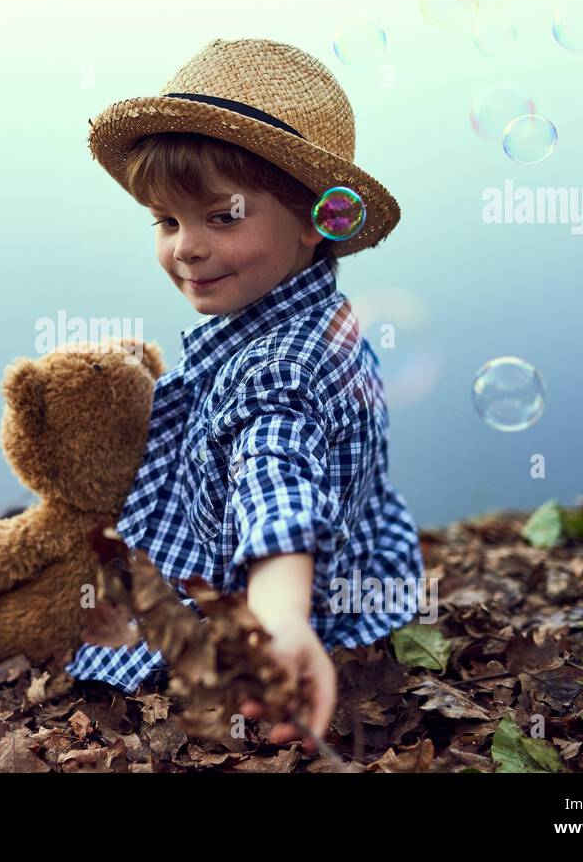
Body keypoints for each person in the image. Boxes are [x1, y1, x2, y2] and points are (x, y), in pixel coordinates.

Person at [65, 38, 425, 749]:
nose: (185, 248)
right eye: (166, 221)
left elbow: (275, 478)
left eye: (222, 217)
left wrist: (277, 619)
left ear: (319, 220)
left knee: (48, 579)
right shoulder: (320, 319)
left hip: (234, 597)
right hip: (351, 564)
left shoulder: (276, 373)